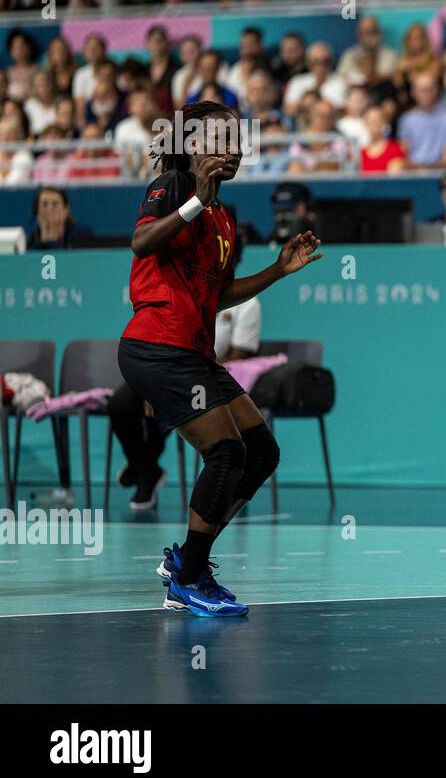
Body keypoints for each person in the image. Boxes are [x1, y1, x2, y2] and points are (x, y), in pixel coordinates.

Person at [118, 100, 322, 616]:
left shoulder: (226, 218)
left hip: (195, 352)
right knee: (226, 452)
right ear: (189, 144)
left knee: (262, 453)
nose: (231, 150)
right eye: (217, 139)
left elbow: (220, 293)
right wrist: (194, 203)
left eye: (236, 140)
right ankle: (189, 578)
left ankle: (187, 559)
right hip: (157, 345)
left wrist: (278, 270)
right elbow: (142, 242)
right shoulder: (171, 186)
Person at [111, 231, 263, 510]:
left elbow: (239, 355)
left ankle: (146, 476)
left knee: (167, 408)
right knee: (120, 404)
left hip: (202, 374)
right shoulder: (178, 291)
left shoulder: (247, 304)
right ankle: (144, 465)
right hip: (164, 366)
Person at [397, 71, 446, 168]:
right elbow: (403, 154)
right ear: (413, 93)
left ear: (437, 90)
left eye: (430, 89)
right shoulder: (406, 120)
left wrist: (424, 168)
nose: (427, 94)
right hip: (412, 174)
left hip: (439, 174)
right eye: (422, 90)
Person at [26, 186, 92, 249]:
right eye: (44, 204)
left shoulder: (82, 234)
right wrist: (44, 237)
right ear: (37, 211)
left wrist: (53, 239)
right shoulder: (33, 237)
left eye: (55, 204)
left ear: (66, 210)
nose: (49, 209)